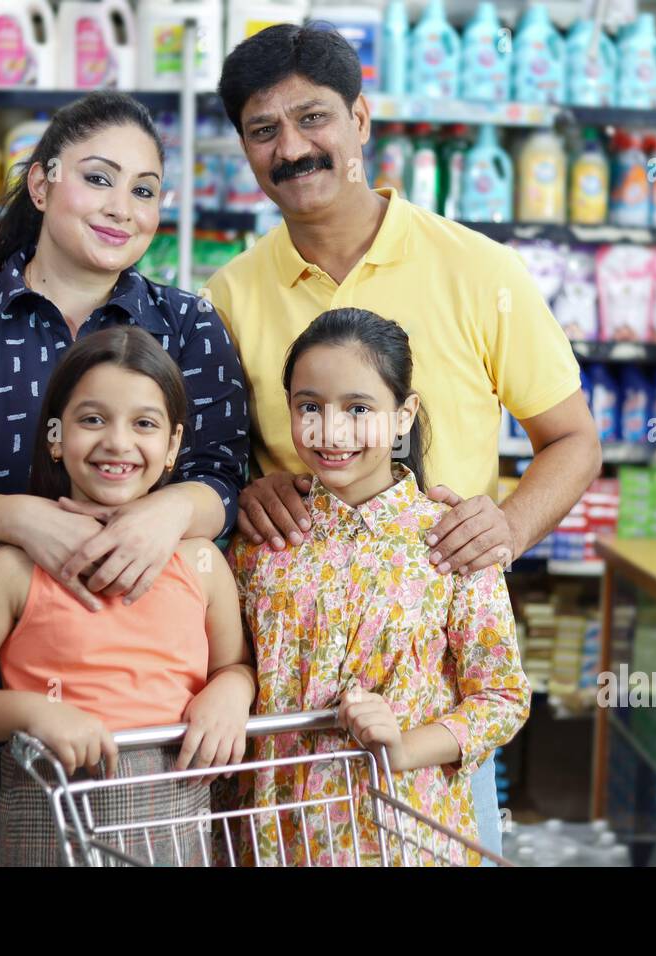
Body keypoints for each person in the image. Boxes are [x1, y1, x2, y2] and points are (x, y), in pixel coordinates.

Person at [206, 25, 601, 857]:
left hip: (433, 687)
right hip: (287, 694)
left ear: (361, 118)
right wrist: (244, 485)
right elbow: (209, 460)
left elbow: (571, 440)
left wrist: (511, 525)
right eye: (262, 129)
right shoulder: (229, 296)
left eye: (313, 118)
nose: (293, 148)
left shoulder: (479, 270)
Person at [0, 91, 249, 866]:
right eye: (99, 178)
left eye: (145, 190)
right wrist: (21, 522)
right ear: (43, 184)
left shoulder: (188, 325)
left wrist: (167, 516)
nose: (123, 207)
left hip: (160, 716)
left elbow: (225, 478)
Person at [0, 327, 255, 867]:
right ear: (54, 435)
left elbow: (233, 664)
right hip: (48, 831)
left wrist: (232, 692)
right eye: (92, 419)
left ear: (172, 447)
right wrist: (35, 712)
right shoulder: (11, 569)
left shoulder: (202, 563)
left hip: (177, 833)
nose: (117, 442)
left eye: (144, 423)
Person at [230, 308, 530, 866]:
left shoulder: (451, 541)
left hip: (406, 837)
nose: (331, 431)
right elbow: (233, 662)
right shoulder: (261, 544)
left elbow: (503, 699)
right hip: (275, 838)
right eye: (309, 407)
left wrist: (402, 748)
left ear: (403, 415)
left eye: (359, 409)